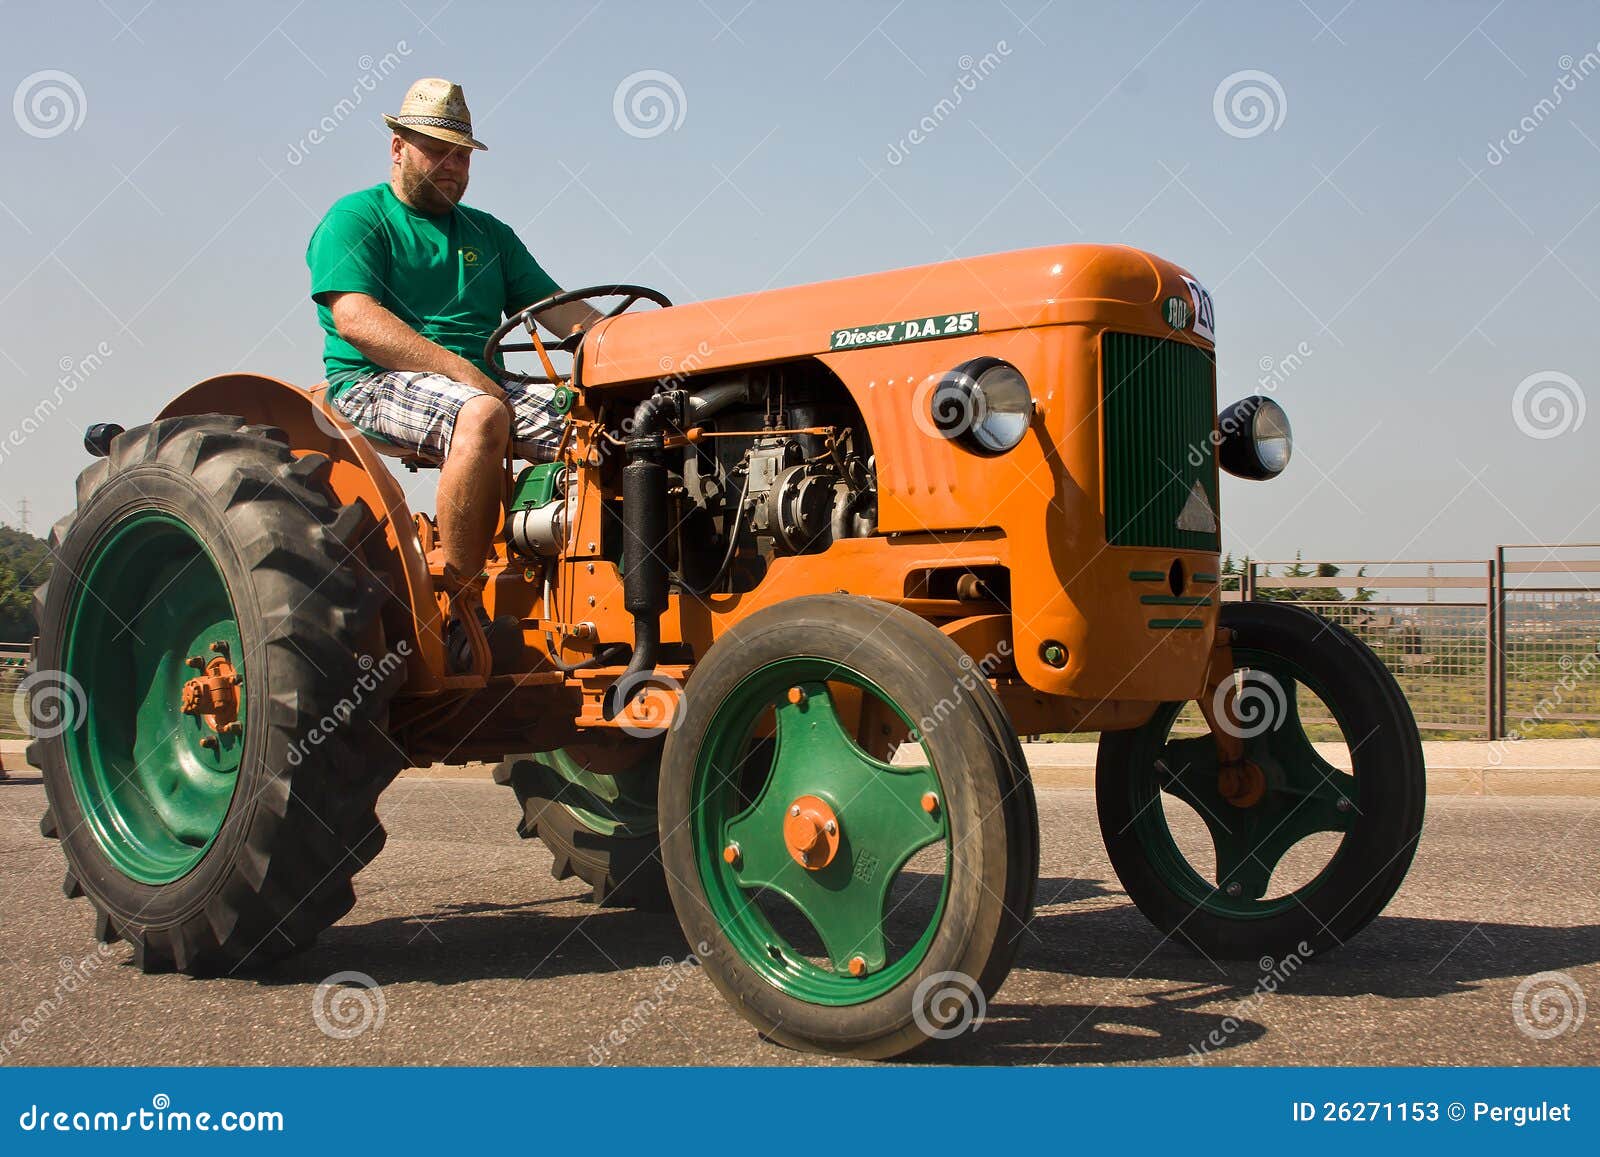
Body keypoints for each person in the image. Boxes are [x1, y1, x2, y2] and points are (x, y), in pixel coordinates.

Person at [305, 77, 600, 600]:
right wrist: (462, 372)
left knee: (608, 434)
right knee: (483, 412)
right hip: (372, 381)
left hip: (480, 384)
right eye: (437, 152)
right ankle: (463, 603)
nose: (453, 168)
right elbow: (354, 318)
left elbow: (564, 314)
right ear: (398, 147)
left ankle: (590, 587)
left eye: (462, 157)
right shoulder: (356, 218)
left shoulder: (489, 234)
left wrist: (634, 346)